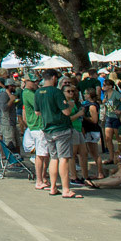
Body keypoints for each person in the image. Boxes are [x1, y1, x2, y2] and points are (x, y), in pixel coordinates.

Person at [33, 69, 81, 198]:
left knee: (53, 158)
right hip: (61, 128)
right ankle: (66, 189)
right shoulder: (56, 92)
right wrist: (70, 105)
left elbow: (37, 112)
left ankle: (53, 187)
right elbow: (66, 112)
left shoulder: (38, 92)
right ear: (54, 78)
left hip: (47, 128)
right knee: (63, 158)